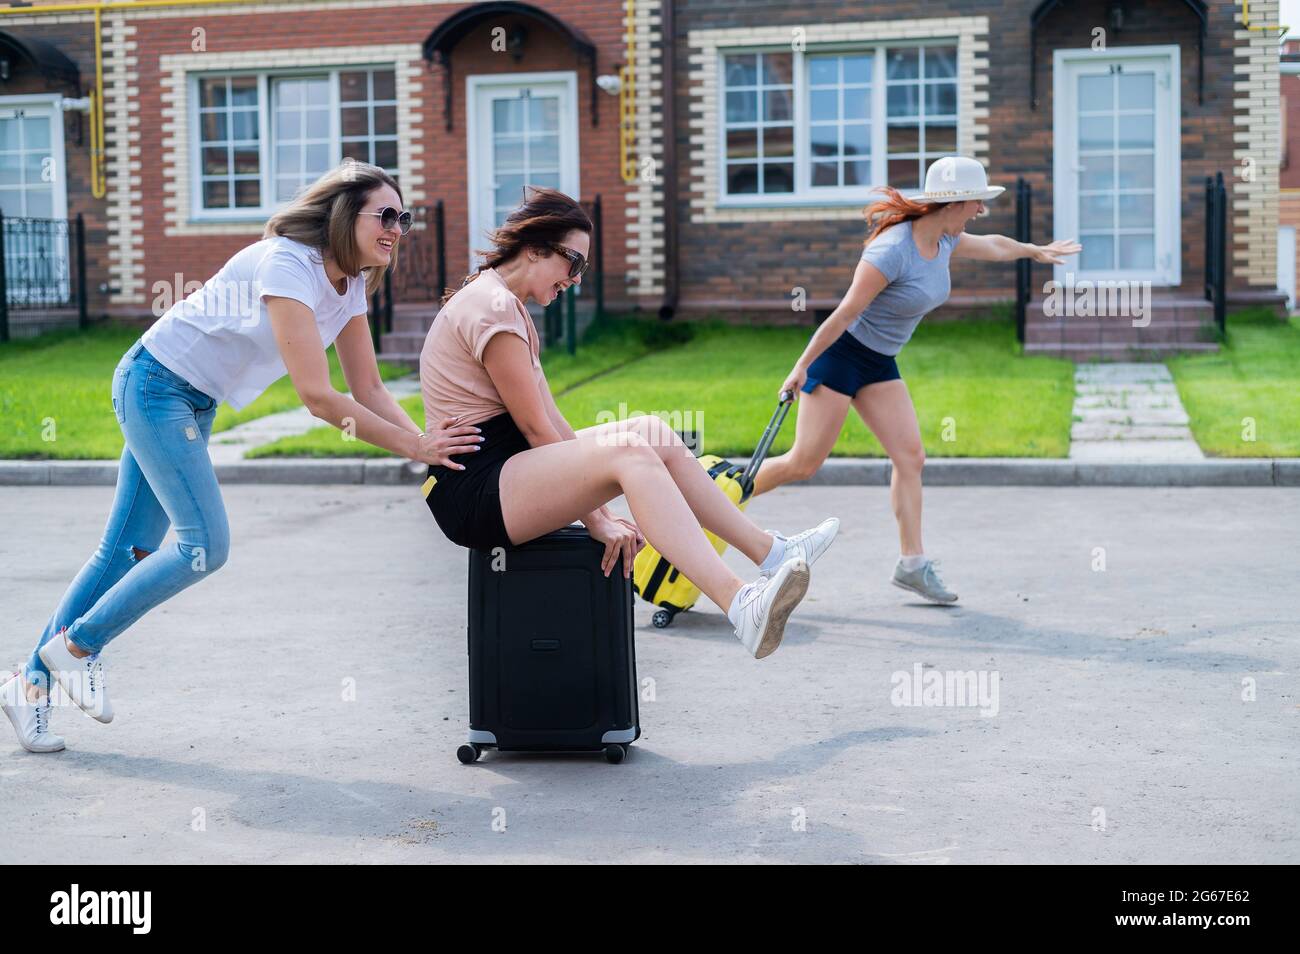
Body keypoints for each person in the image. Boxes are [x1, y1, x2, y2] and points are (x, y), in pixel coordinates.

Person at [2, 161, 481, 753]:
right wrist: (415, 445)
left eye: (402, 218)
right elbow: (315, 395)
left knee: (126, 551)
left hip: (189, 400)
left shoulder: (349, 284)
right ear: (342, 215)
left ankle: (29, 688)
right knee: (203, 545)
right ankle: (77, 648)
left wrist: (430, 451)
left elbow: (369, 390)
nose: (397, 228)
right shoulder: (288, 262)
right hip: (156, 385)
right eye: (385, 215)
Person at [420, 186, 841, 660]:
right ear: (534, 248)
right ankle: (740, 603)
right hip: (474, 490)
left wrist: (592, 496)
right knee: (630, 452)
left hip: (504, 469)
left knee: (650, 432)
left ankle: (770, 552)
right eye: (572, 263)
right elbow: (537, 430)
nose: (576, 280)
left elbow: (552, 421)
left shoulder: (505, 304)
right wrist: (597, 519)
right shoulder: (491, 309)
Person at [753, 156, 1081, 603]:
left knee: (911, 456)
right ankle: (722, 496)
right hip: (840, 358)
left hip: (879, 362)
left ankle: (912, 564)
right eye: (976, 203)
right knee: (803, 463)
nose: (981, 211)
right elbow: (845, 312)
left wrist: (1033, 250)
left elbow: (994, 246)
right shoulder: (891, 251)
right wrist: (801, 365)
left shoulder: (945, 239)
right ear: (952, 204)